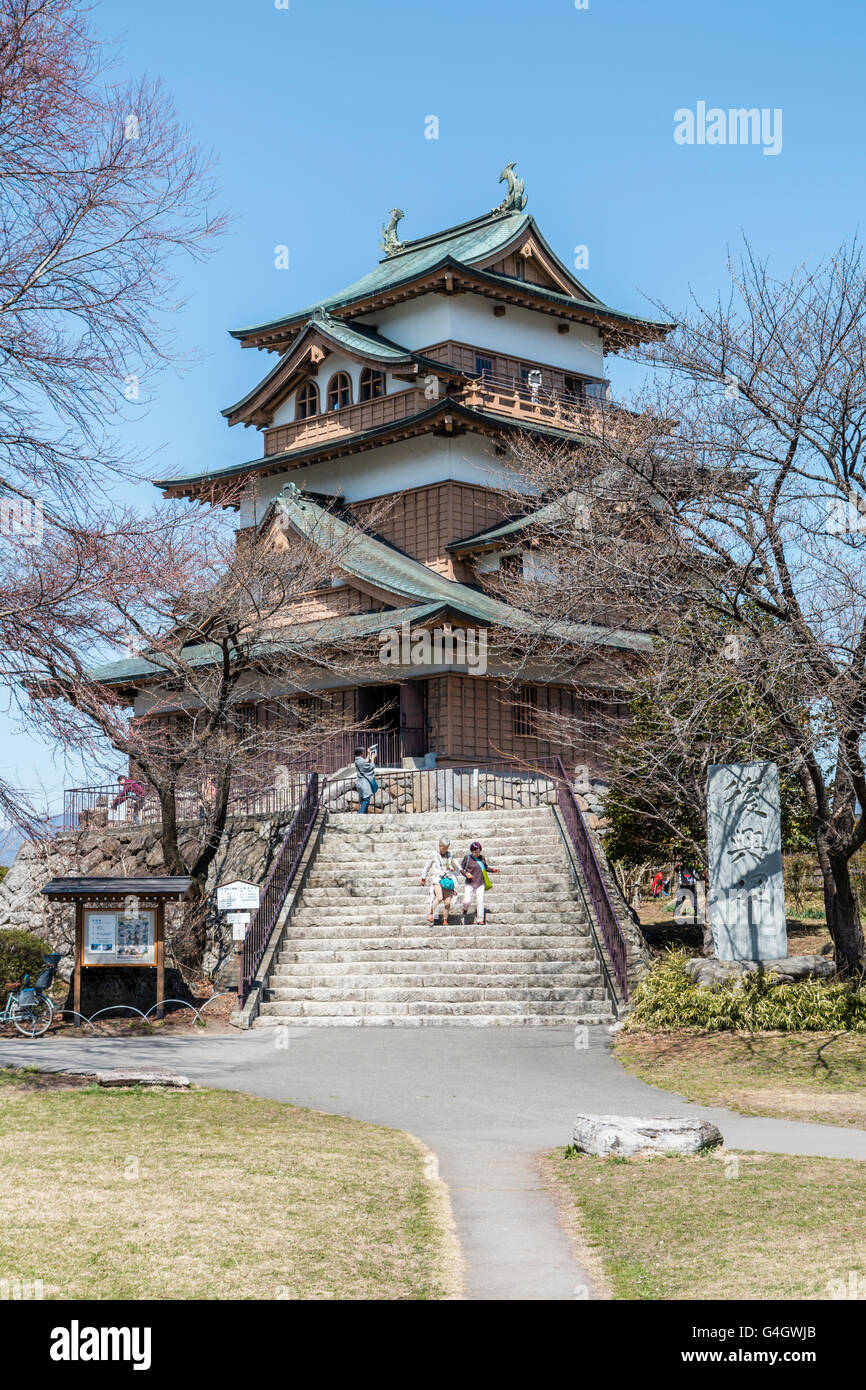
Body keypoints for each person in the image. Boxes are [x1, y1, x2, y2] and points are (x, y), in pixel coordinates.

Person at [421, 838, 463, 926]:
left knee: (448, 901)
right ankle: (430, 913)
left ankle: (445, 919)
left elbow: (454, 863)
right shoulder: (434, 854)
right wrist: (423, 878)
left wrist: (455, 868)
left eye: (446, 847)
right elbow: (427, 866)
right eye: (443, 847)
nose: (445, 849)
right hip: (437, 878)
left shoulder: (449, 854)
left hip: (447, 879)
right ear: (440, 846)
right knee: (439, 897)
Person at [459, 840, 499, 925]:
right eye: (475, 852)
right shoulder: (467, 858)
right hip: (470, 883)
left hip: (480, 883)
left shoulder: (482, 858)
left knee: (480, 901)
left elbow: (485, 867)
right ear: (471, 851)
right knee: (467, 901)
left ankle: (480, 919)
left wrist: (493, 870)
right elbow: (461, 869)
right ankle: (465, 909)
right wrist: (466, 874)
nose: (477, 853)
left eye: (478, 851)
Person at [353, 745, 378, 814]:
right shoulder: (360, 761)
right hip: (364, 783)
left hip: (359, 783)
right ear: (361, 753)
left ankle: (364, 816)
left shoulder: (357, 760)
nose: (363, 753)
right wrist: (373, 758)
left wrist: (368, 753)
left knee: (364, 800)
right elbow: (370, 767)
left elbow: (365, 762)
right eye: (363, 752)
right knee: (366, 800)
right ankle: (359, 816)